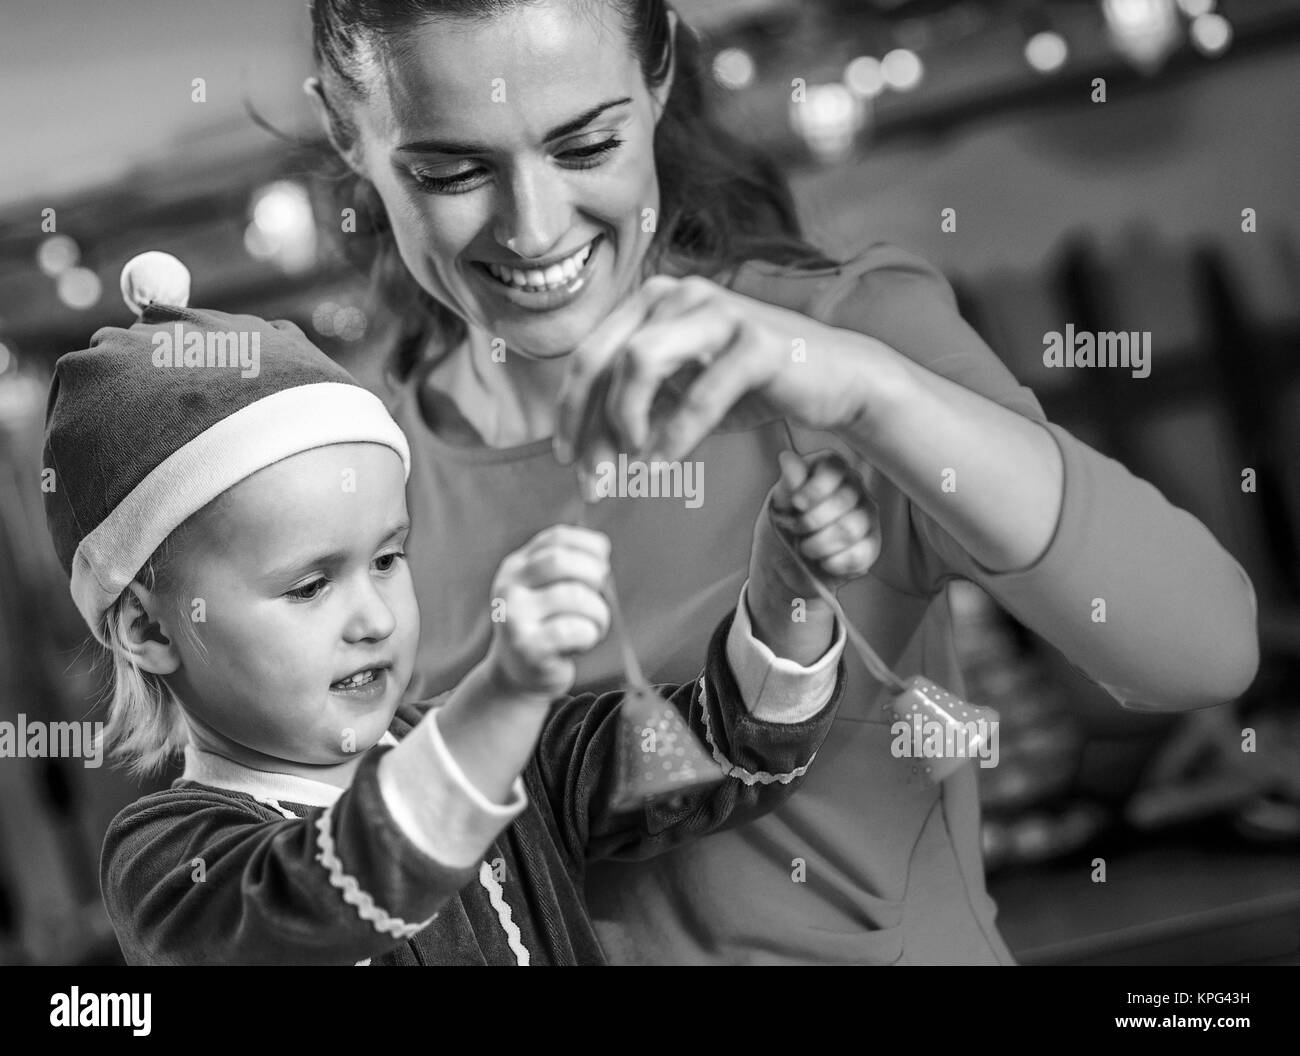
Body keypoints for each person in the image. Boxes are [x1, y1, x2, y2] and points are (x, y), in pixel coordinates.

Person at [303, 0, 1260, 963]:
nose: (534, 227)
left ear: (658, 76)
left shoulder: (846, 340)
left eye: (587, 146)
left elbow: (1203, 654)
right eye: (453, 172)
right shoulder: (345, 475)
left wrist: (869, 391)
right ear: (346, 131)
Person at [44, 302, 879, 965]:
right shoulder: (168, 860)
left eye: (387, 559)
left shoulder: (504, 747)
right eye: (309, 586)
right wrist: (504, 696)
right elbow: (320, 902)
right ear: (149, 628)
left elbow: (717, 754)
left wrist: (787, 593)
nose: (374, 618)